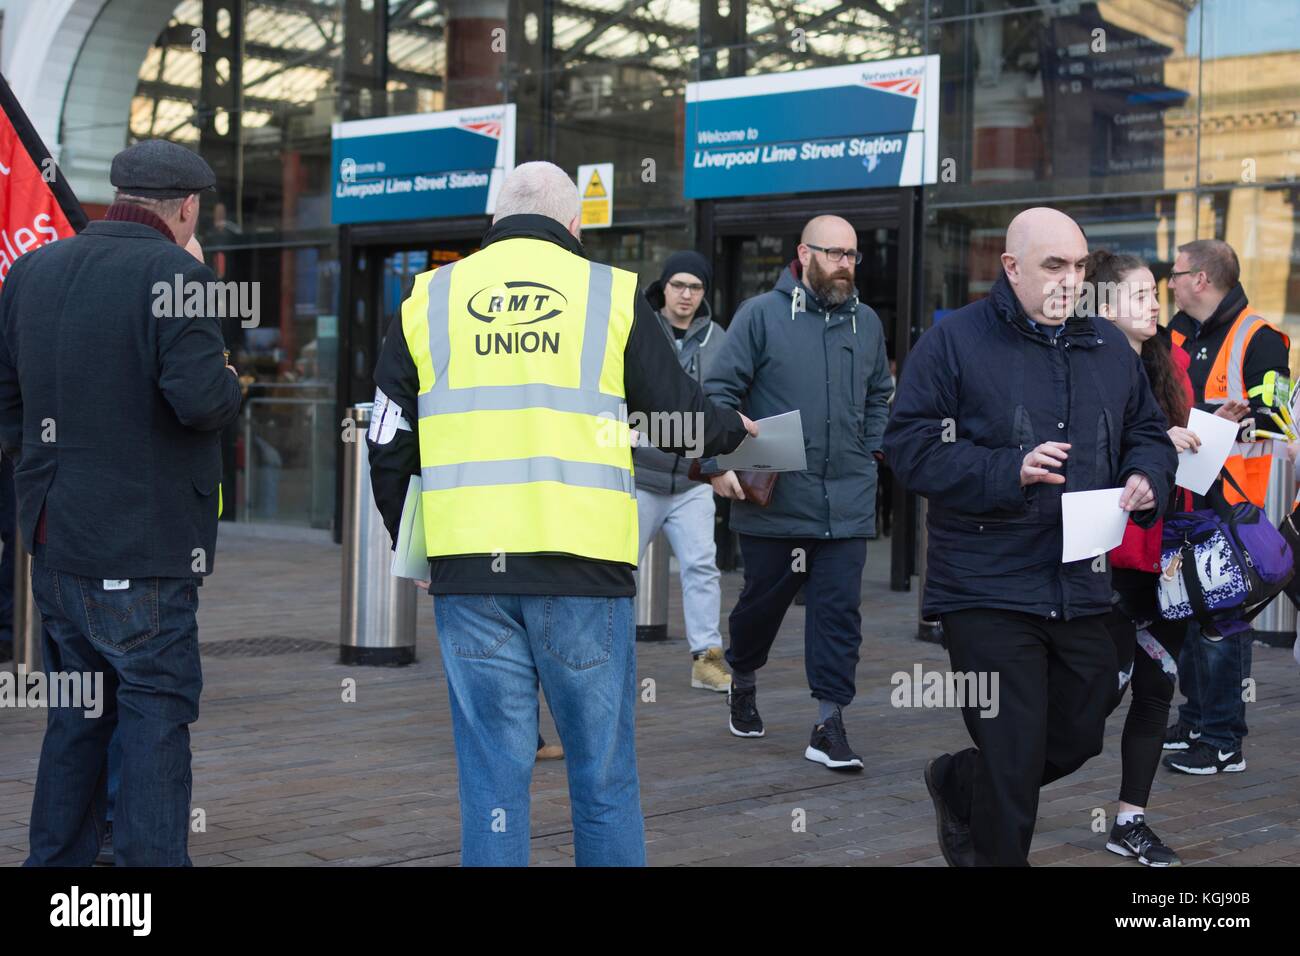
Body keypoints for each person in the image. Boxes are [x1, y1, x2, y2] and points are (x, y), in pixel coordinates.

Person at [366, 161, 753, 867]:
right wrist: (735, 431)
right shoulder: (607, 292)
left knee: (492, 780)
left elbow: (387, 437)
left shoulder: (428, 298)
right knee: (602, 778)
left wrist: (415, 547)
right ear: (573, 225)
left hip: (470, 573)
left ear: (495, 222)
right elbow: (674, 417)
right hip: (584, 572)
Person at [883, 207, 1178, 866]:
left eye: (1078, 266)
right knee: (1014, 758)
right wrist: (1006, 469)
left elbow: (1148, 433)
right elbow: (906, 446)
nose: (1071, 280)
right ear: (1011, 267)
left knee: (1078, 733)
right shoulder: (956, 340)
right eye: (1054, 266)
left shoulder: (1106, 346)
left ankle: (961, 780)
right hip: (984, 586)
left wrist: (1146, 476)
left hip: (1080, 583)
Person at [0, 139, 243, 866]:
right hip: (143, 549)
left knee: (76, 719)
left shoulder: (34, 270)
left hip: (57, 544)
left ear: (119, 195)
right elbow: (201, 402)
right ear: (186, 207)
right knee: (154, 717)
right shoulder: (179, 274)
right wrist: (233, 379)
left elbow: (8, 407)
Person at [705, 214, 894, 771]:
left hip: (849, 498)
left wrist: (873, 450)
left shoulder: (868, 323)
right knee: (762, 606)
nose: (844, 264)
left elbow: (881, 394)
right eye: (833, 253)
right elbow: (719, 392)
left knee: (839, 613)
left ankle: (829, 723)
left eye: (852, 254)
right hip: (777, 498)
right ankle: (742, 670)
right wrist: (718, 461)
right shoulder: (760, 315)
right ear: (803, 253)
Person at [1087, 249, 1248, 866]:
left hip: (1168, 555)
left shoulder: (1171, 359)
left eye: (1155, 293)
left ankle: (1130, 818)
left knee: (1157, 688)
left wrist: (1206, 427)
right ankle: (996, 782)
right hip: (1108, 555)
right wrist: (1158, 437)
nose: (1155, 304)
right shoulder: (1083, 365)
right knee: (1092, 699)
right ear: (1103, 306)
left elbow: (1179, 456)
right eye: (1138, 295)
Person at [1163, 239, 1290, 775]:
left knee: (1223, 623)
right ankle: (1195, 719)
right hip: (1183, 498)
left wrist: (1229, 419)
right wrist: (1207, 413)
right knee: (1188, 614)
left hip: (1233, 508)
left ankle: (1222, 741)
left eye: (1176, 273)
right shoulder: (1175, 331)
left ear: (1202, 279)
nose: (1168, 282)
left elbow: (1276, 416)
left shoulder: (1259, 338)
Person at [632, 250, 732, 691]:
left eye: (695, 287)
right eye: (679, 285)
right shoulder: (642, 329)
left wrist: (716, 466)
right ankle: (608, 657)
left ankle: (707, 661)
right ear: (664, 287)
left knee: (702, 567)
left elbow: (724, 405)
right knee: (618, 569)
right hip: (640, 475)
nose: (686, 295)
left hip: (693, 479)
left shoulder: (718, 339)